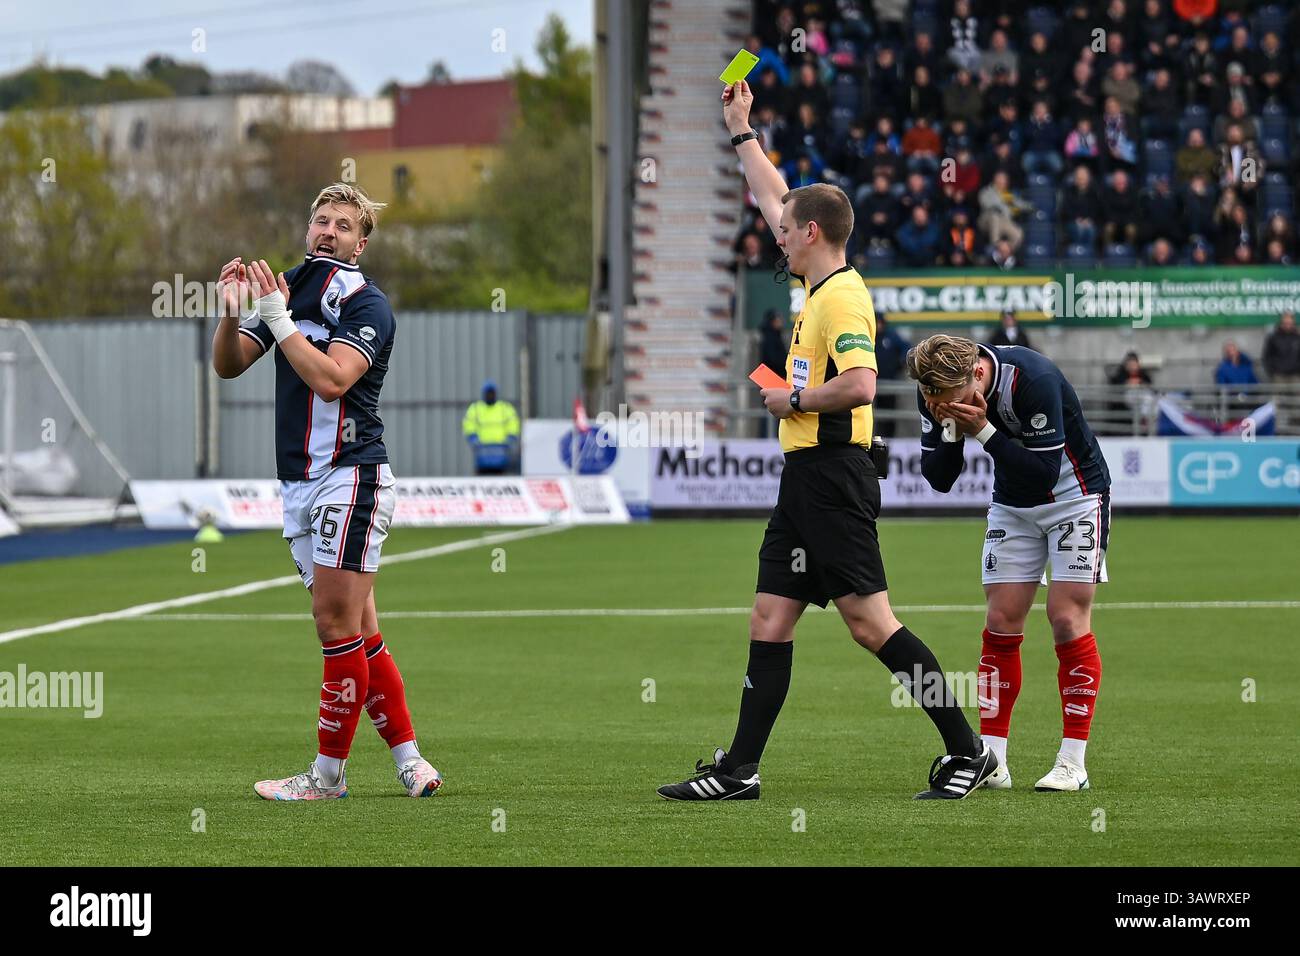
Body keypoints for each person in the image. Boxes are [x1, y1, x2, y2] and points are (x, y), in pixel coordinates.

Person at [656, 79, 999, 803]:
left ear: (810, 234)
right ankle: (740, 770)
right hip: (804, 478)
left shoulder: (840, 296)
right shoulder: (818, 281)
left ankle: (968, 753)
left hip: (833, 476)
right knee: (769, 617)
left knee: (872, 626)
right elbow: (775, 197)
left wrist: (793, 398)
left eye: (786, 227)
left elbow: (866, 384)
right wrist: (741, 130)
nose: (774, 231)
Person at [212, 182, 441, 801]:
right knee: (361, 629)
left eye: (343, 225)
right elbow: (229, 364)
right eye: (321, 220)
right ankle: (411, 761)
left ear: (361, 244)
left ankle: (326, 778)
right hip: (298, 485)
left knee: (333, 622)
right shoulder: (284, 287)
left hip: (351, 472)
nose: (328, 231)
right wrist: (235, 308)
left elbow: (333, 380)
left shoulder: (368, 303)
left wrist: (277, 315)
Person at [908, 336, 1111, 793]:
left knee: (1065, 618)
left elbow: (1043, 472)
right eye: (928, 398)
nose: (933, 404)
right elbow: (940, 479)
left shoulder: (1032, 379)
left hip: (1075, 496)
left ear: (976, 375)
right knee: (1000, 619)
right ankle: (992, 760)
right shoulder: (936, 388)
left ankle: (1071, 762)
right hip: (1013, 505)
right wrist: (950, 427)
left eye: (942, 399)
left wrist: (982, 430)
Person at [463, 380, 520, 475]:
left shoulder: (504, 408)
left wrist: (510, 438)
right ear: (484, 394)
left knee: (500, 476)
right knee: (482, 477)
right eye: (488, 393)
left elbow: (513, 423)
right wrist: (473, 438)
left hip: (501, 451)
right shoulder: (476, 409)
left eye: (492, 393)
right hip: (482, 451)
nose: (490, 395)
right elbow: (468, 424)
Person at [872, 313, 911, 437]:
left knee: (889, 414)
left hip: (889, 382)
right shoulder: (868, 337)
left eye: (880, 323)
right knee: (872, 414)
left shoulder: (891, 336)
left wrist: (900, 362)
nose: (878, 326)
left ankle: (888, 438)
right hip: (871, 384)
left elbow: (906, 348)